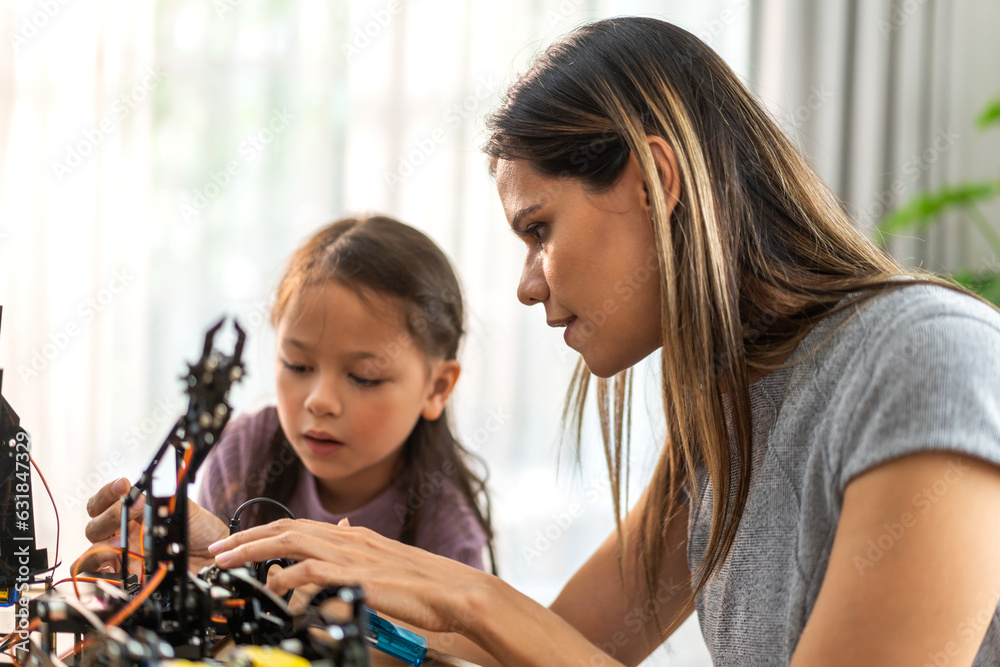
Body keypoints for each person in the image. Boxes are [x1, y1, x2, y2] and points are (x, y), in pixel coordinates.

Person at [121, 17, 1000, 666]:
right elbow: (528, 656)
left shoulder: (926, 356)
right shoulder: (724, 422)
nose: (528, 281)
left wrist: (471, 592)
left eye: (539, 229)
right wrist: (222, 567)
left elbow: (521, 636)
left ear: (657, 179)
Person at [76, 215, 495, 580]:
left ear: (437, 388)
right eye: (297, 365)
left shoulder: (446, 532)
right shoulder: (245, 454)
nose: (320, 401)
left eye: (364, 377)